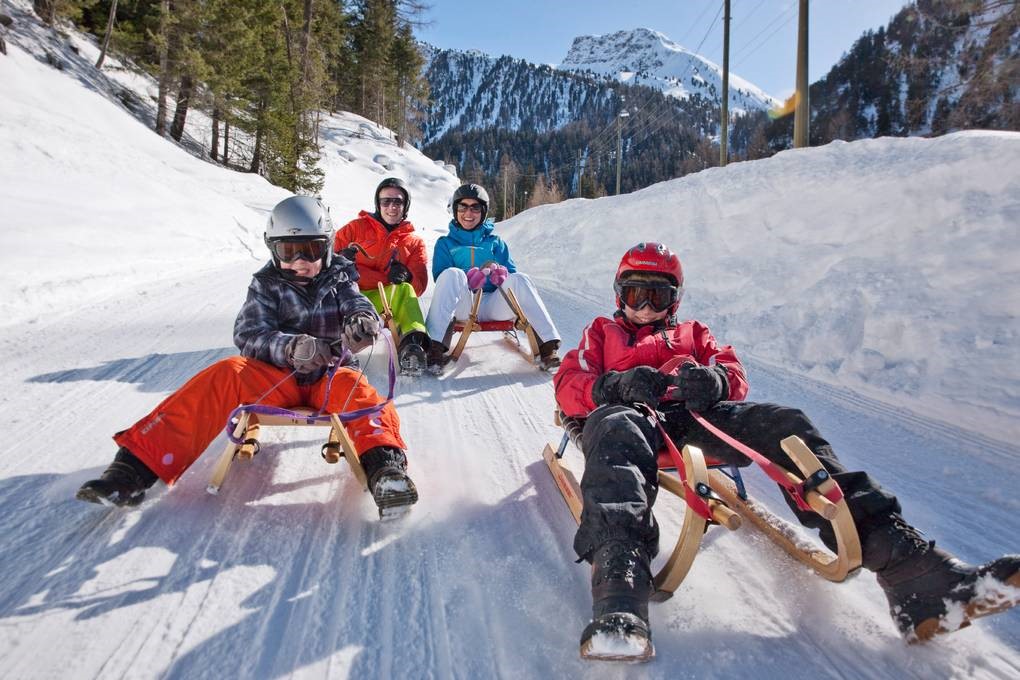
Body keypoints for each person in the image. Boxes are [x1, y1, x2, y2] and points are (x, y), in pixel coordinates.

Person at [553, 241, 1019, 659]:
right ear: (620, 296)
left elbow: (731, 370)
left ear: (676, 300)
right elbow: (567, 383)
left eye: (660, 296)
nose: (649, 308)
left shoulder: (694, 333)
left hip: (696, 420)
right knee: (615, 425)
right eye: (638, 295)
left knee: (785, 422)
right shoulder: (601, 333)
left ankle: (915, 575)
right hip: (634, 420)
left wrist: (714, 380)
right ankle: (620, 593)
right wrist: (614, 385)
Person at [76, 196, 418, 515]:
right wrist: (290, 347)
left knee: (360, 393)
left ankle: (385, 471)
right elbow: (248, 334)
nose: (299, 262)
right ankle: (132, 470)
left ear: (327, 248)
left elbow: (357, 304)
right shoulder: (266, 284)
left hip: (331, 374)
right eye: (288, 251)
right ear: (273, 250)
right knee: (226, 373)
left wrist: (363, 320)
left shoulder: (341, 277)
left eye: (311, 251)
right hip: (275, 377)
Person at [424, 183, 561, 372]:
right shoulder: (445, 243)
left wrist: (500, 274)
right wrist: (468, 278)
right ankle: (434, 347)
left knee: (520, 279)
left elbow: (512, 278)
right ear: (455, 210)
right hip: (463, 304)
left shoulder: (496, 243)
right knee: (452, 274)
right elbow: (442, 278)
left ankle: (547, 346)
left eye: (475, 208)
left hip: (493, 305)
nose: (468, 213)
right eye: (463, 207)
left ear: (484, 211)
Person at [333, 177, 431, 376]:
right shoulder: (354, 229)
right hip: (349, 298)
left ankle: (412, 347)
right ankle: (328, 347)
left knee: (406, 289)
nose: (392, 207)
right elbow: (322, 265)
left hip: (385, 300)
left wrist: (407, 276)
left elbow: (419, 285)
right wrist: (340, 260)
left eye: (398, 202)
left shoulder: (414, 243)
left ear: (406, 206)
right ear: (378, 204)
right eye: (386, 201)